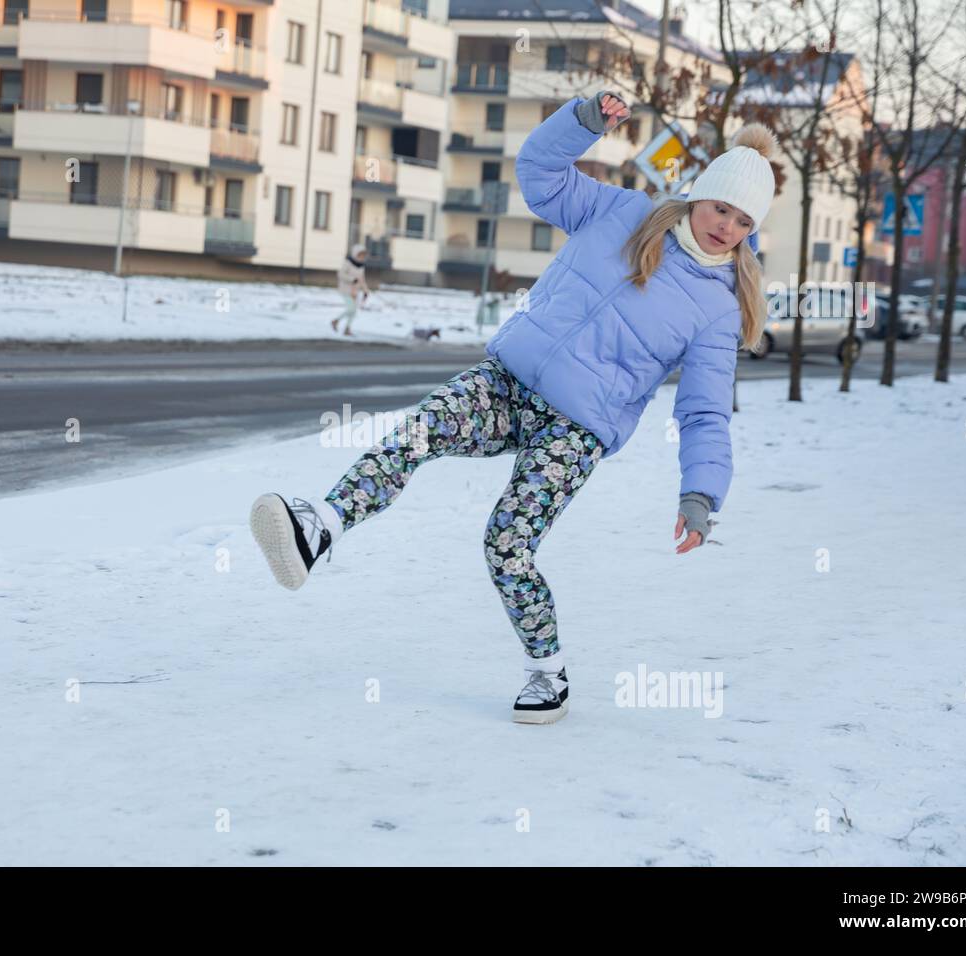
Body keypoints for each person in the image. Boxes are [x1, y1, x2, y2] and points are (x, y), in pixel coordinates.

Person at [252, 93, 775, 724]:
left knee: (507, 543)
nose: (727, 227)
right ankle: (320, 528)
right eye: (722, 208)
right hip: (509, 378)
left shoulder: (719, 307)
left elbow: (704, 413)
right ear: (699, 195)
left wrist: (701, 495)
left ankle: (546, 672)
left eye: (744, 221)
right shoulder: (621, 212)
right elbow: (539, 174)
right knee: (421, 429)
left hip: (576, 429)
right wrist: (582, 121)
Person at [331, 244, 371, 336]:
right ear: (355, 254)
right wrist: (352, 279)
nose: (362, 257)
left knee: (354, 311)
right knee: (351, 309)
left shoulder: (361, 266)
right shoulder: (348, 262)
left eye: (363, 255)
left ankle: (347, 329)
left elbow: (362, 279)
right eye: (360, 255)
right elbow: (341, 274)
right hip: (345, 290)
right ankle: (336, 321)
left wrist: (366, 291)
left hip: (354, 291)